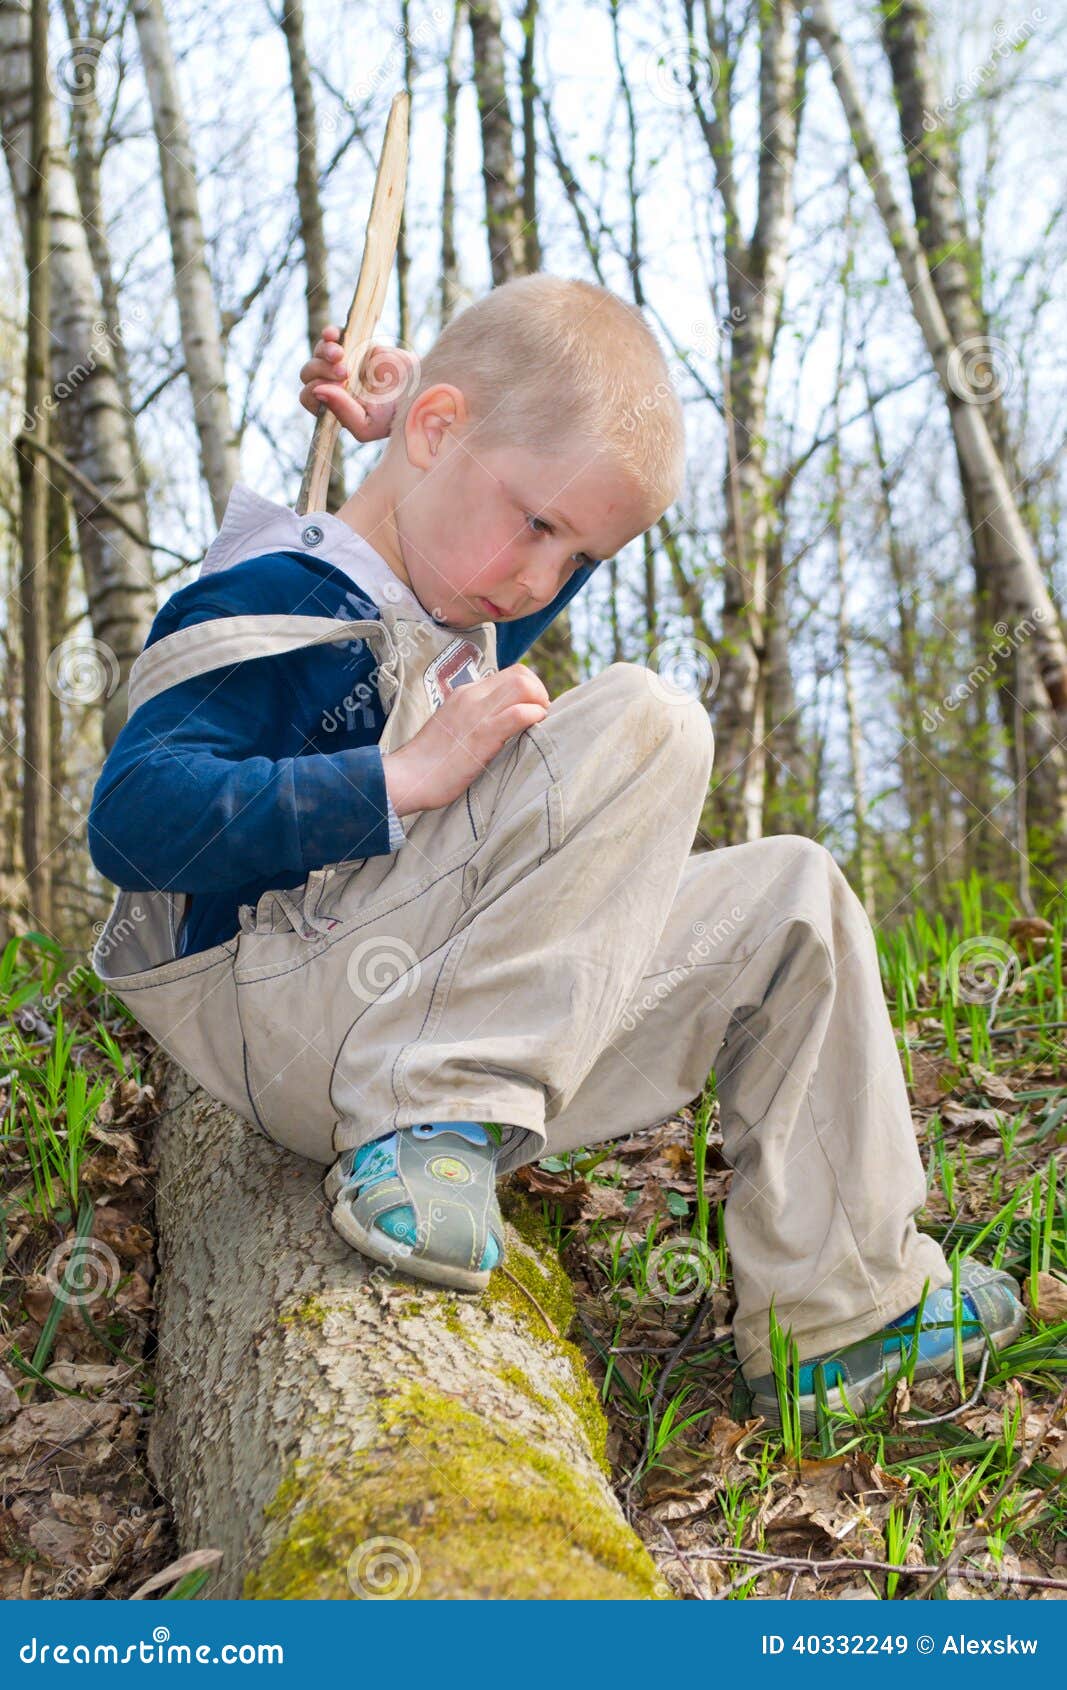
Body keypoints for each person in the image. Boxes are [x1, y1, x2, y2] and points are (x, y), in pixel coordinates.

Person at [87, 274, 1023, 1427]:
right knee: (648, 718)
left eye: (574, 559)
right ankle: (429, 1124)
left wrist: (419, 441)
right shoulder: (280, 592)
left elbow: (496, 553)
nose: (540, 580)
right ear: (437, 431)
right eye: (536, 526)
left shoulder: (451, 582)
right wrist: (398, 778)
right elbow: (130, 814)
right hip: (302, 1020)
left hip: (413, 1006)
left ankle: (840, 1311)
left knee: (792, 892)